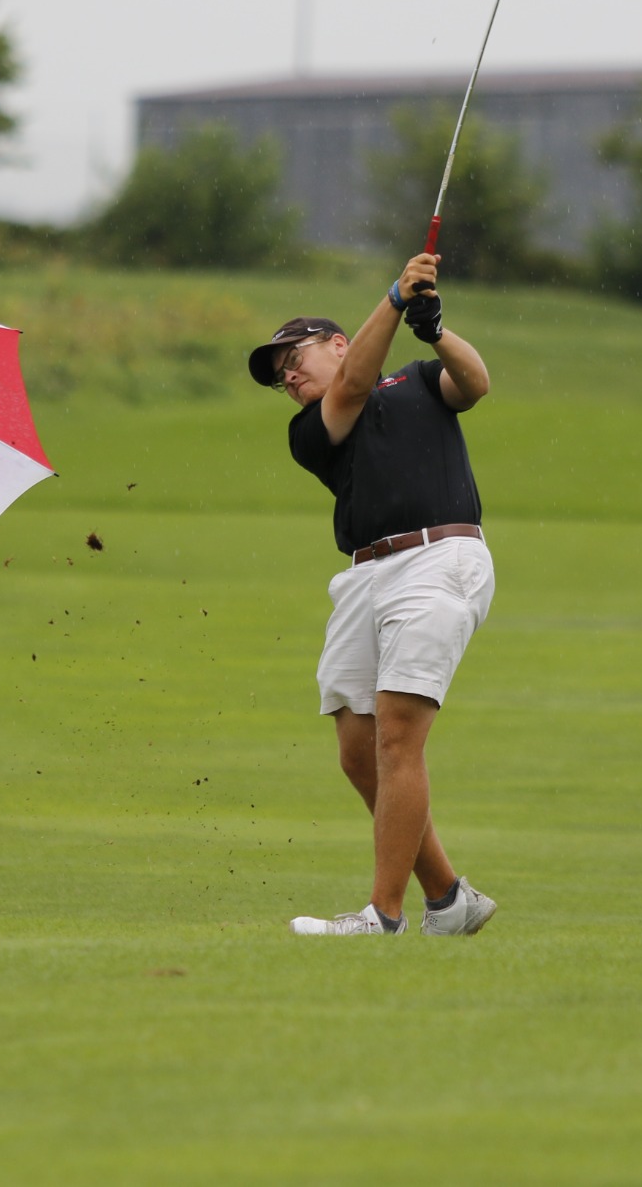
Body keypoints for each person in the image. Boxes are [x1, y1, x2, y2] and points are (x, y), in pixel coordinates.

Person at [247, 251, 498, 937]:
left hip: (441, 559)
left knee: (395, 738)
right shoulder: (315, 427)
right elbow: (355, 383)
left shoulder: (418, 379)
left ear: (335, 340)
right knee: (358, 750)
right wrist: (394, 296)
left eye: (292, 358)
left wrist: (435, 328)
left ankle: (383, 917)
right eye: (280, 378)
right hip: (364, 575)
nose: (288, 376)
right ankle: (449, 898)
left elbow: (474, 383)